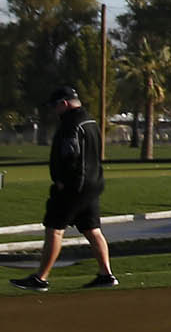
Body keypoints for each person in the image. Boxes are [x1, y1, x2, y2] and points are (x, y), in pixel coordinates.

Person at [12, 86, 118, 291]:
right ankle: (106, 274)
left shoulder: (71, 124)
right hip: (93, 183)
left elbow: (70, 155)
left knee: (54, 229)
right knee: (92, 229)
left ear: (64, 103)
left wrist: (62, 181)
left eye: (55, 106)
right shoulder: (91, 121)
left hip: (74, 186)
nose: (53, 111)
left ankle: (40, 278)